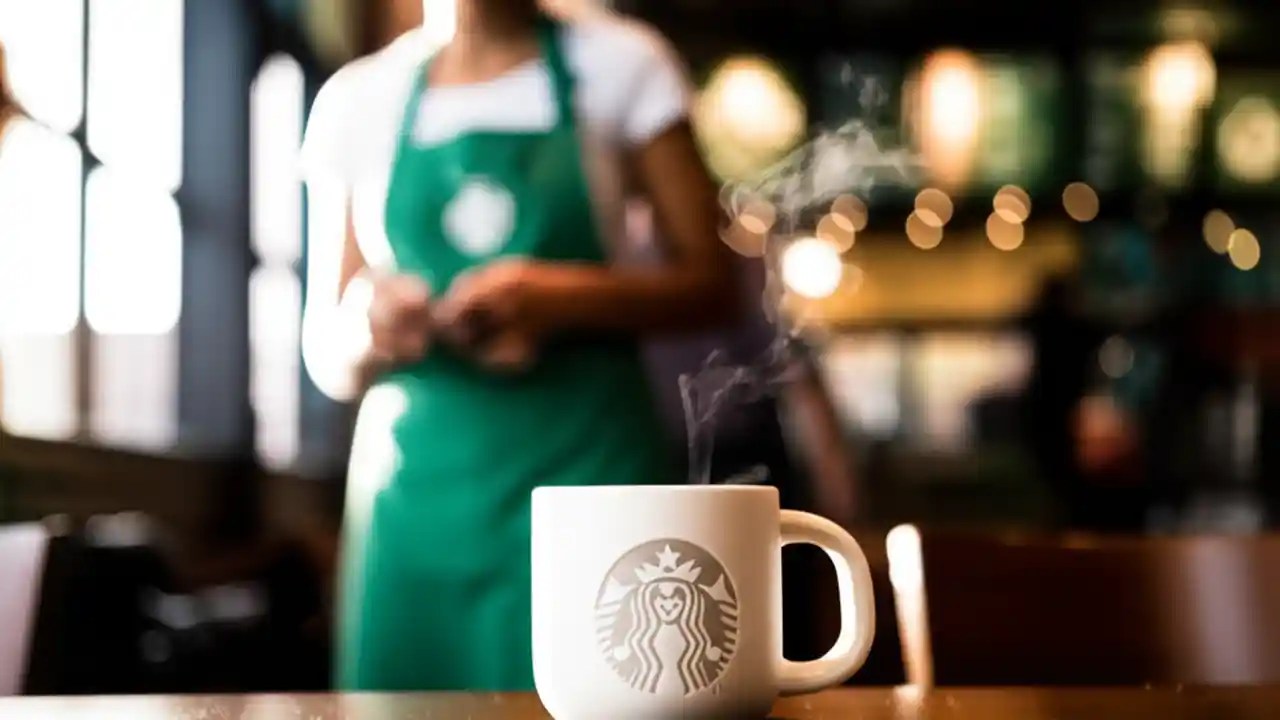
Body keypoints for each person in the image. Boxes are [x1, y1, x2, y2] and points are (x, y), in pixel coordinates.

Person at [299, 0, 734, 692]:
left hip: (589, 471)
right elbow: (326, 352)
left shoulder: (621, 64)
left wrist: (556, 298)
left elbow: (713, 285)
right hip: (413, 500)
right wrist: (371, 323)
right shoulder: (358, 99)